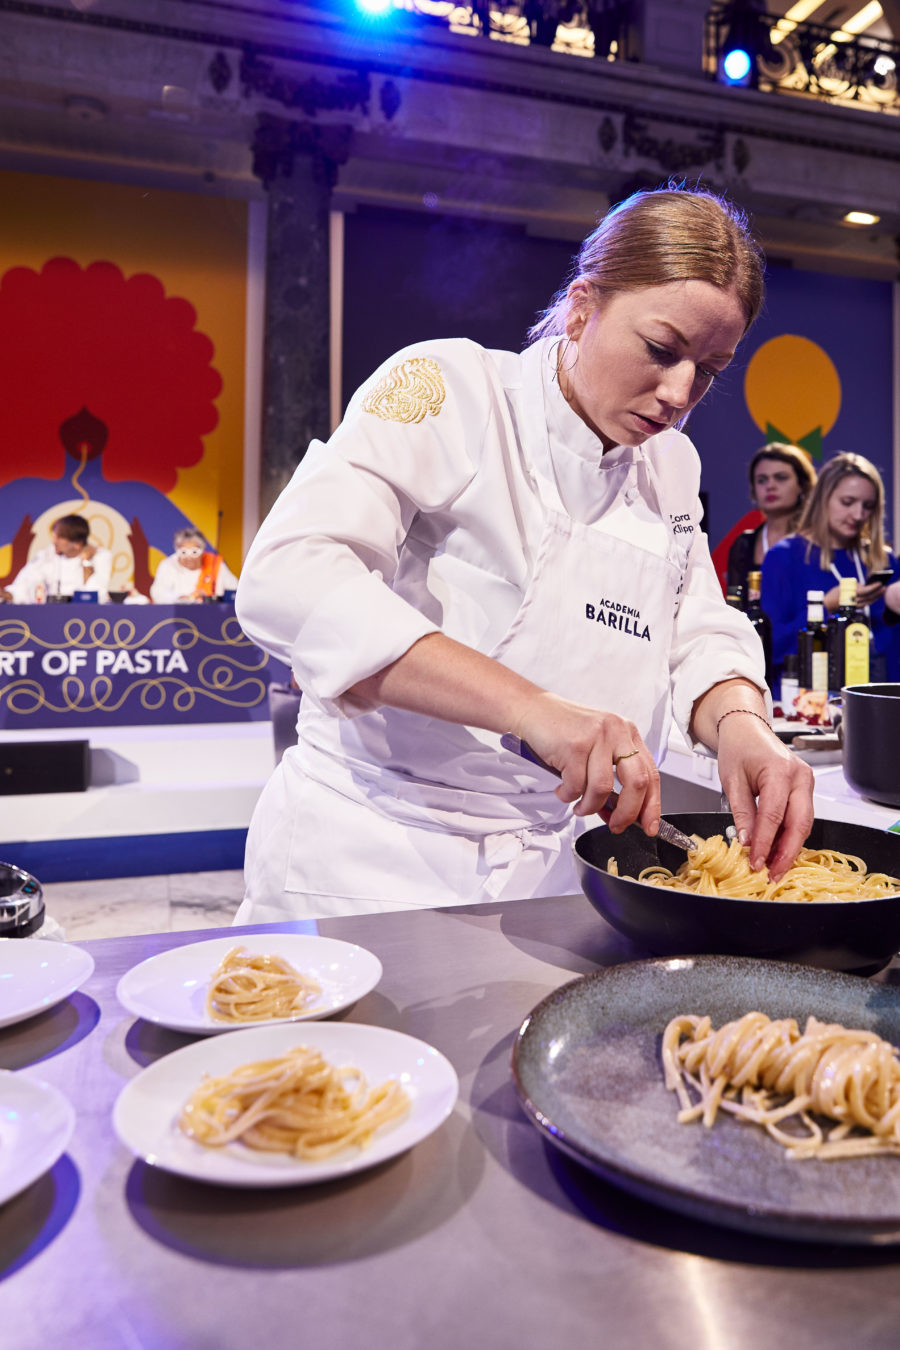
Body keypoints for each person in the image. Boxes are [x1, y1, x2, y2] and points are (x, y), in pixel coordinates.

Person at [235, 186, 814, 924]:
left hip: (555, 870)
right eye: (661, 350)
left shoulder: (672, 466)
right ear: (582, 307)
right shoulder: (451, 391)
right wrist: (531, 709)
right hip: (375, 857)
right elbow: (292, 576)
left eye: (708, 370)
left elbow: (695, 627)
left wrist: (744, 727)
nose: (678, 394)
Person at [762, 451, 900, 682]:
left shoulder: (881, 560)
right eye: (847, 502)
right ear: (823, 498)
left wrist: (892, 608)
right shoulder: (784, 557)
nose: (858, 515)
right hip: (807, 703)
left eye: (868, 506)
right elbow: (770, 647)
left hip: (876, 698)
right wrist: (825, 606)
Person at [726, 442, 816, 602]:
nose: (770, 486)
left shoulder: (815, 541)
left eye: (781, 478)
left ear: (802, 485)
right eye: (762, 480)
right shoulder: (743, 544)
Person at [0, 513, 112, 603]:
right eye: (54, 535)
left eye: (60, 537)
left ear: (77, 543)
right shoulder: (46, 554)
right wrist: (8, 594)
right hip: (54, 615)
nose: (54, 541)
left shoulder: (101, 556)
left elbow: (97, 594)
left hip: (87, 617)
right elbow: (25, 582)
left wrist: (86, 562)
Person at [149, 527, 238, 604]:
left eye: (194, 552)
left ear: (202, 549)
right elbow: (157, 593)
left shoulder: (215, 564)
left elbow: (235, 589)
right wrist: (181, 598)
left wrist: (209, 597)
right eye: (184, 552)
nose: (189, 557)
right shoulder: (168, 565)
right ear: (177, 549)